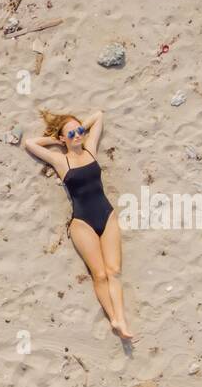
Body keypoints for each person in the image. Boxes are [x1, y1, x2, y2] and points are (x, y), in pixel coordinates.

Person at [22, 109, 134, 340]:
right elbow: (30, 143)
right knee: (100, 274)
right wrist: (56, 139)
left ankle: (120, 318)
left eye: (80, 131)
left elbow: (100, 115)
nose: (77, 135)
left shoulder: (90, 149)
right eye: (71, 133)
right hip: (82, 223)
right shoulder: (60, 160)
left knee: (114, 271)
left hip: (108, 215)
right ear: (63, 139)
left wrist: (78, 128)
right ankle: (113, 317)